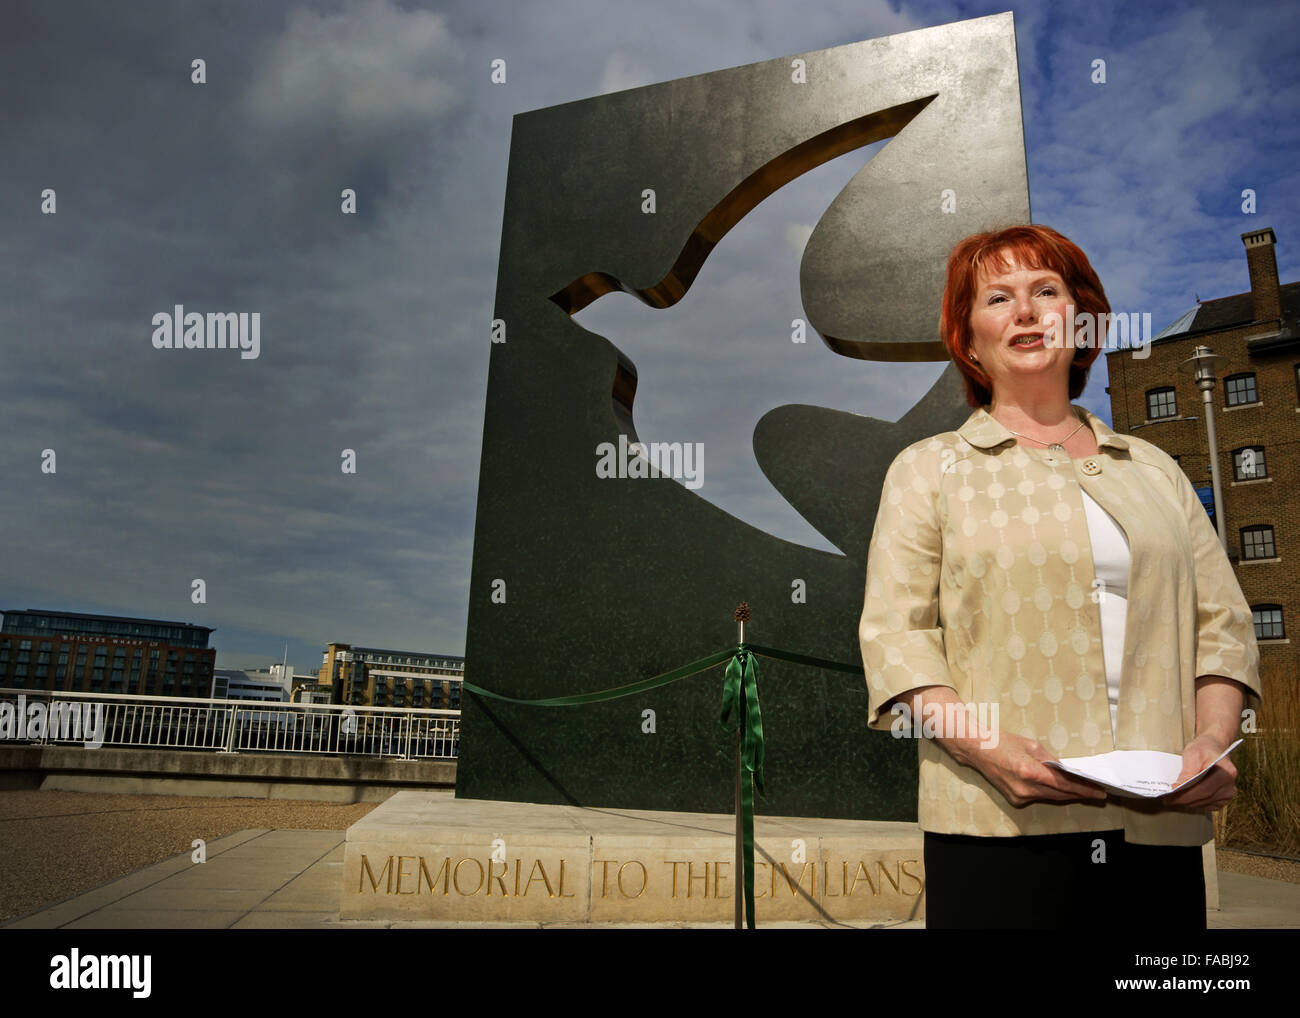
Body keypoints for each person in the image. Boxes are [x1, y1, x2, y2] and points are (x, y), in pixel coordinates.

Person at [858, 224, 1262, 929]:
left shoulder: (1155, 469)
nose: (1026, 310)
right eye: (998, 298)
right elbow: (898, 636)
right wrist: (982, 746)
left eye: (1047, 290)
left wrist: (1211, 740)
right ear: (969, 338)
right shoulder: (927, 470)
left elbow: (1222, 623)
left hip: (1158, 827)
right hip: (994, 827)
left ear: (1082, 320)